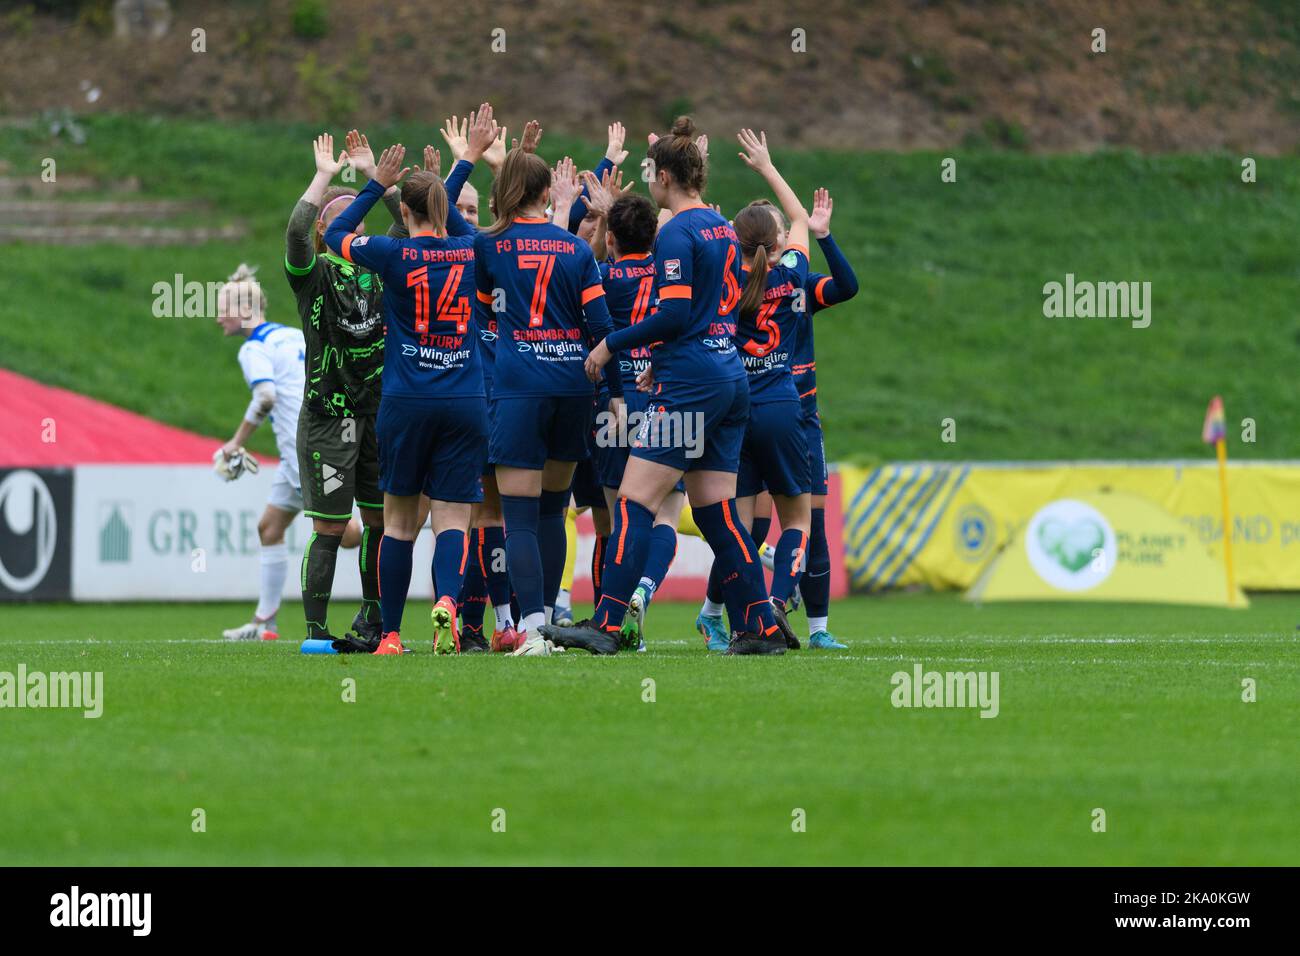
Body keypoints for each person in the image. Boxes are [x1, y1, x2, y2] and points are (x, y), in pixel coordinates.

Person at [546, 116, 787, 656]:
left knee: (634, 501)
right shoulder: (721, 226)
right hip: (726, 375)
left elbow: (675, 313)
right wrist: (664, 358)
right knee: (717, 512)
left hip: (692, 386)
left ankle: (607, 623)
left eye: (651, 169)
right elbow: (709, 310)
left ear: (665, 177)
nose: (649, 178)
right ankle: (761, 625)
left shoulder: (675, 232)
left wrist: (611, 345)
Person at [324, 106, 498, 655]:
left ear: (403, 211)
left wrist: (375, 183)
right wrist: (467, 160)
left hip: (406, 400)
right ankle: (447, 601)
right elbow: (469, 229)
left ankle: (393, 635)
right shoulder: (470, 250)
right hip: (465, 400)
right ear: (445, 210)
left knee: (399, 524)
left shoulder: (391, 253)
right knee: (453, 521)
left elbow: (335, 233)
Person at [473, 146, 623, 656]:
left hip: (519, 386)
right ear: (546, 193)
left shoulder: (488, 246)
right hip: (574, 385)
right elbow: (602, 327)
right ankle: (549, 630)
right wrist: (617, 392)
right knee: (553, 511)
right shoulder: (576, 250)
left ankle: (534, 629)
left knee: (518, 517)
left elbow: (483, 318)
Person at [284, 132, 391, 648]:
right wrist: (324, 176)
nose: (358, 225)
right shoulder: (314, 275)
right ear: (326, 229)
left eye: (361, 218)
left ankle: (373, 620)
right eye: (345, 219)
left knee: (380, 521)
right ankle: (315, 632)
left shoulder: (382, 266)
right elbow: (295, 233)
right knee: (330, 527)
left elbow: (412, 223)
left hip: (378, 415)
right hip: (329, 416)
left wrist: (377, 179)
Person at [216, 265, 360, 640]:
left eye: (223, 309)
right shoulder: (292, 334)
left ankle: (400, 529)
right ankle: (264, 623)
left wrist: (235, 442)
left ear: (245, 309)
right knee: (270, 527)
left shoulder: (254, 348)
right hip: (305, 446)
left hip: (306, 450)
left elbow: (266, 396)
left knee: (349, 534)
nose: (217, 318)